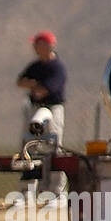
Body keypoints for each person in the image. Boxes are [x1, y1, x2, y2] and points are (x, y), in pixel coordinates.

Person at [17, 30, 67, 194]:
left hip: (52, 109)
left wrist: (35, 86)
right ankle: (29, 189)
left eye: (37, 44)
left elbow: (47, 89)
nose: (34, 47)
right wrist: (35, 85)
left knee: (54, 147)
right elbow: (21, 81)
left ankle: (55, 189)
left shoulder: (57, 67)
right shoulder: (36, 66)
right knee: (29, 146)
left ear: (46, 45)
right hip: (35, 108)